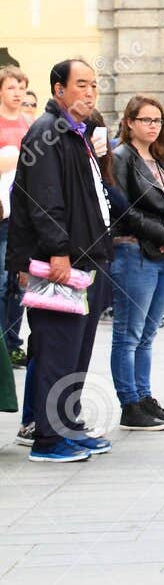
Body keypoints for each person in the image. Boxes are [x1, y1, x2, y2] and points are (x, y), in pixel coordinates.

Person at [4, 58, 114, 463]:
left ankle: (66, 426)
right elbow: (44, 199)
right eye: (80, 84)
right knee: (56, 349)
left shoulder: (76, 133)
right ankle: (48, 440)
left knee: (76, 351)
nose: (89, 92)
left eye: (94, 86)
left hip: (86, 258)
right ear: (58, 89)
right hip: (60, 262)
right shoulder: (47, 131)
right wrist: (59, 251)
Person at [109, 95, 164, 431]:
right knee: (128, 333)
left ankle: (144, 396)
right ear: (129, 122)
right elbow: (123, 211)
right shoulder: (120, 158)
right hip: (134, 251)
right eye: (146, 120)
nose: (153, 126)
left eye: (158, 121)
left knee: (148, 334)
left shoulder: (161, 159)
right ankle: (129, 404)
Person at [0, 66, 30, 366]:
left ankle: (13, 342)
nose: (17, 93)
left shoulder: (29, 124)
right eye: (11, 87)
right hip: (1, 214)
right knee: (1, 280)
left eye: (21, 87)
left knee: (19, 283)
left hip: (22, 213)